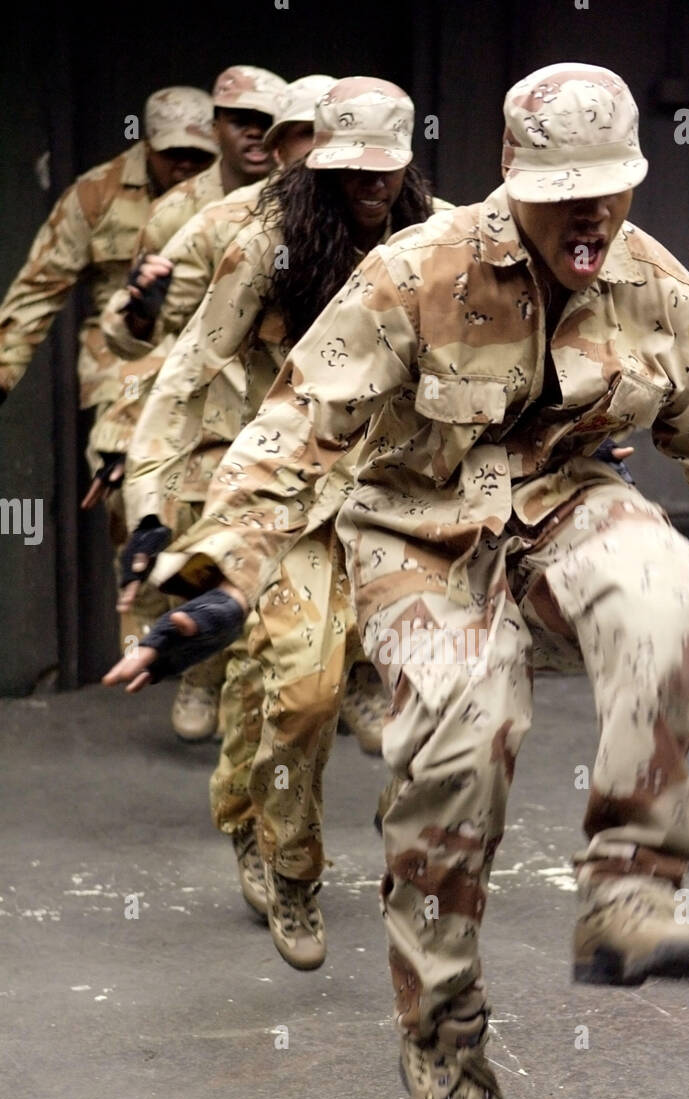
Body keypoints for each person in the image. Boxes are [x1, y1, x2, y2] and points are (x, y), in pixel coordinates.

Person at [106, 61, 689, 1099]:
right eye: (566, 191)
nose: (591, 216)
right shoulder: (415, 272)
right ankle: (446, 1051)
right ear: (511, 176)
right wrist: (215, 574)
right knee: (459, 750)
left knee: (660, 589)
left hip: (564, 509)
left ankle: (627, 891)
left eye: (611, 188)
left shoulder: (655, 289)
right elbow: (294, 432)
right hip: (415, 537)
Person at [108, 78, 450, 961]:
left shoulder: (441, 238)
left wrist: (580, 435)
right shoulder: (262, 241)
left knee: (459, 692)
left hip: (402, 493)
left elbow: (527, 342)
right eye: (349, 169)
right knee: (298, 691)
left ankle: (412, 835)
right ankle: (285, 860)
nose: (370, 187)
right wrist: (148, 511)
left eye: (386, 170)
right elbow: (177, 370)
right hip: (284, 495)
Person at [89, 64, 293, 738]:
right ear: (219, 127)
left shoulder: (339, 208)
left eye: (272, 125)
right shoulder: (187, 215)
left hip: (303, 404)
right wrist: (124, 429)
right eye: (243, 122)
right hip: (214, 399)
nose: (257, 137)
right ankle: (204, 672)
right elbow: (139, 333)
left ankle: (348, 680)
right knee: (197, 534)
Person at [0, 86, 217, 640]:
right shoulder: (96, 194)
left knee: (221, 486)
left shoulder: (233, 191)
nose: (187, 164)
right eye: (174, 153)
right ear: (148, 144)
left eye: (200, 152)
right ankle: (144, 611)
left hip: (210, 342)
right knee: (125, 472)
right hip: (122, 355)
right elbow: (38, 290)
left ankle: (209, 641)